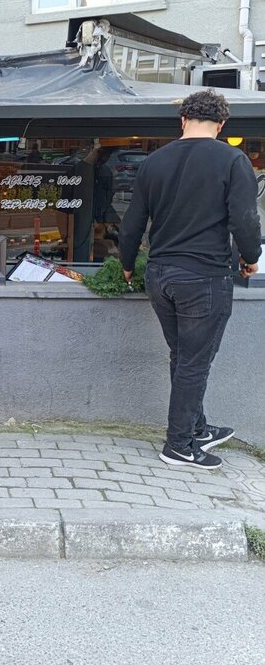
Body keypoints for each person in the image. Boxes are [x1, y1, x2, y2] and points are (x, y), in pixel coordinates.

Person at [119, 90, 261, 470]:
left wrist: (128, 264)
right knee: (194, 363)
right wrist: (251, 258)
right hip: (203, 277)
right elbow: (245, 219)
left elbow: (132, 223)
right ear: (222, 124)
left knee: (183, 357)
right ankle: (179, 445)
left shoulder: (154, 162)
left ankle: (196, 428)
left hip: (160, 275)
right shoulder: (233, 160)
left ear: (183, 120)